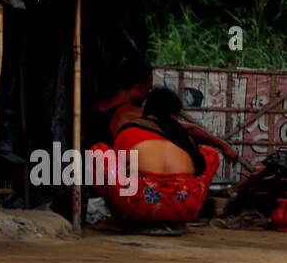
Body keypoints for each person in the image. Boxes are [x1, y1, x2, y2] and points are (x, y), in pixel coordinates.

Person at [90, 86, 234, 229]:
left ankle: (115, 220)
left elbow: (117, 173)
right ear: (175, 114)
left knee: (99, 151)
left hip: (141, 206)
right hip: (185, 206)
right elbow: (199, 165)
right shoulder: (183, 134)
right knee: (210, 153)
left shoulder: (131, 129)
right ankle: (177, 222)